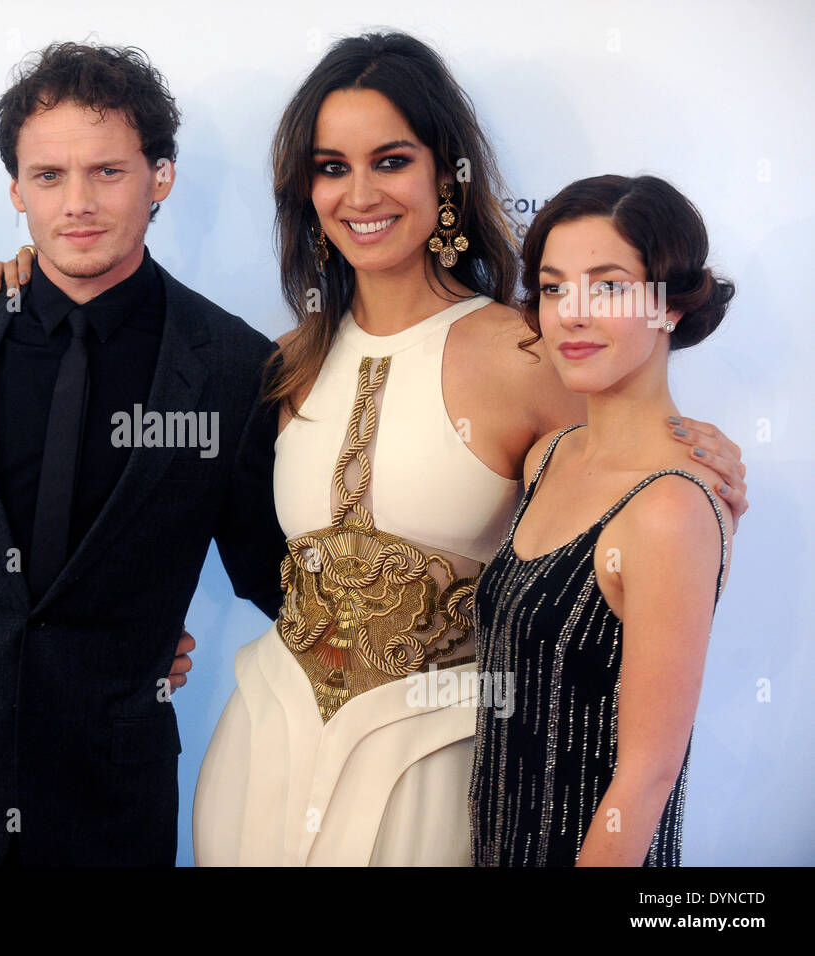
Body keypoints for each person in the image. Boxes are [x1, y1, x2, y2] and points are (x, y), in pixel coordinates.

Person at [185, 33, 747, 865]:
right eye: (331, 167)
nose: (360, 193)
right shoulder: (284, 362)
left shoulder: (529, 353)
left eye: (391, 160)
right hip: (259, 756)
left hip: (438, 773)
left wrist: (708, 471)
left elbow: (625, 514)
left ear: (446, 175)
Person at [0, 42, 287, 867]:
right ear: (16, 189)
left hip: (111, 794)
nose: (77, 203)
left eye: (107, 171)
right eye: (49, 175)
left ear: (159, 178)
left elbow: (270, 572)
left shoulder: (233, 365)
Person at [470, 174, 734, 866]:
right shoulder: (548, 458)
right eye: (553, 288)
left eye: (609, 287)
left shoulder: (673, 507)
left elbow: (647, 775)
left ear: (669, 306)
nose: (572, 314)